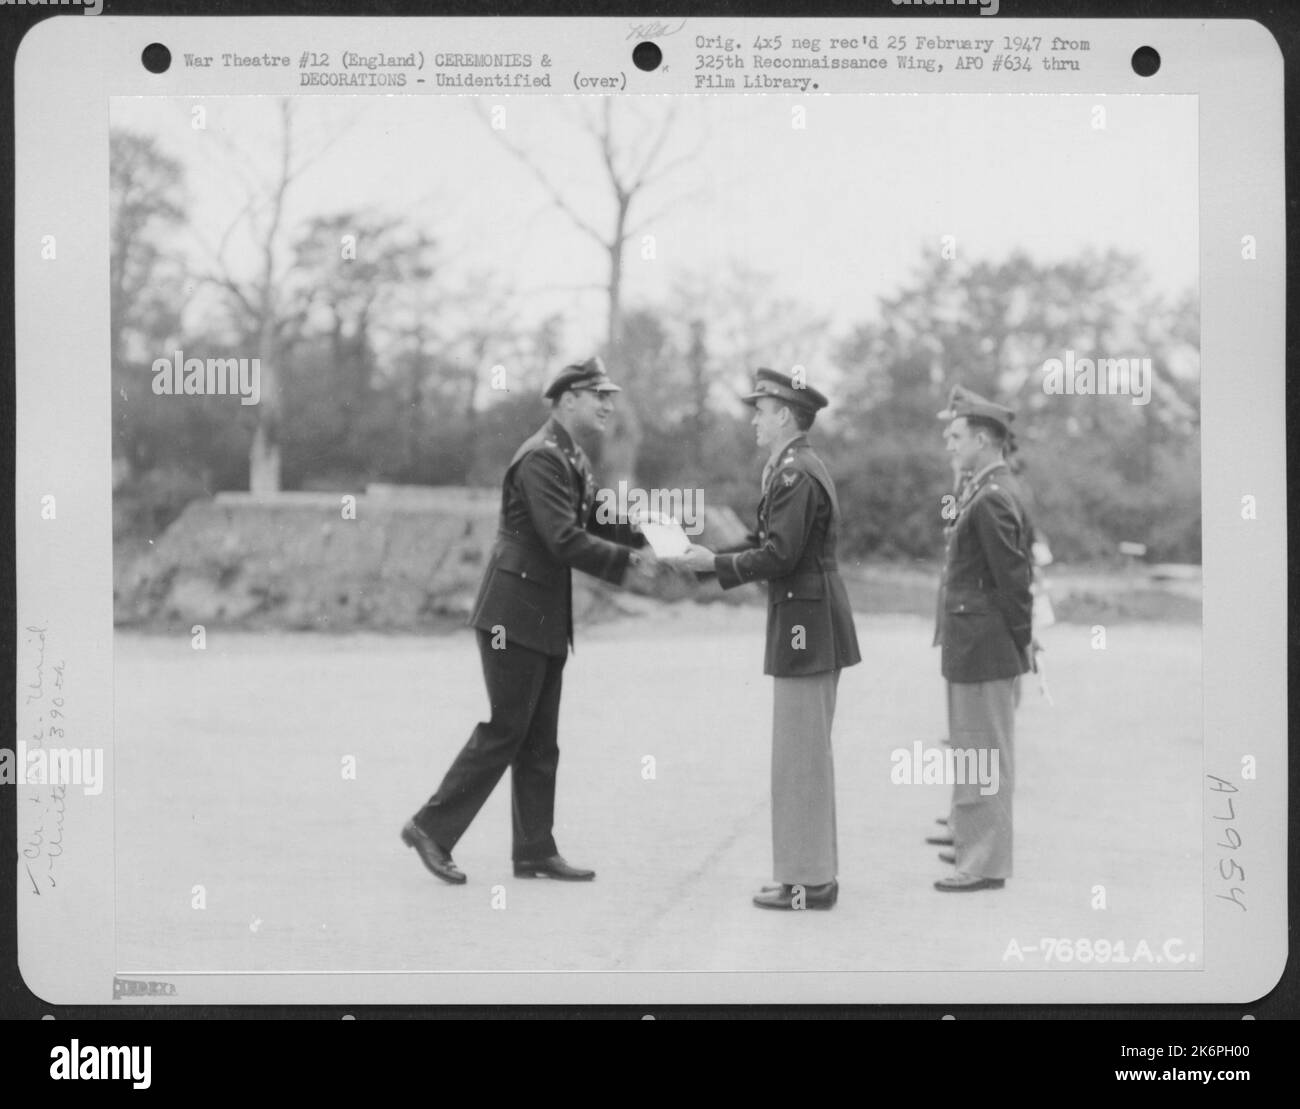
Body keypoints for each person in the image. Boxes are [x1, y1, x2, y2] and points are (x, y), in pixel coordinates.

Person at [402, 356, 653, 885]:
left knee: (540, 738)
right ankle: (430, 827)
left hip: (537, 615)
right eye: (597, 395)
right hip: (511, 617)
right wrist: (626, 562)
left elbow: (596, 518)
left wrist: (652, 538)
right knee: (507, 729)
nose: (608, 404)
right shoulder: (541, 459)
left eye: (609, 395)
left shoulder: (567, 455)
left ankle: (535, 849)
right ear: (566, 400)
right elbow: (563, 537)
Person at [676, 368, 861, 911]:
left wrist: (715, 563)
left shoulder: (793, 474)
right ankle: (808, 875)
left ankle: (810, 883)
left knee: (801, 758)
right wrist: (707, 564)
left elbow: (780, 555)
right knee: (801, 755)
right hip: (808, 621)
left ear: (784, 414)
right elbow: (767, 542)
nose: (755, 417)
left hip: (808, 626)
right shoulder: (790, 468)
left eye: (761, 408)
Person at [932, 385, 1034, 892]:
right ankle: (974, 846)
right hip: (973, 640)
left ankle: (986, 863)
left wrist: (1021, 644)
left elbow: (1012, 581)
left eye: (958, 436)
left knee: (985, 750)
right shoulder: (983, 487)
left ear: (984, 439)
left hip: (986, 643)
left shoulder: (994, 496)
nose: (950, 444)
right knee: (973, 748)